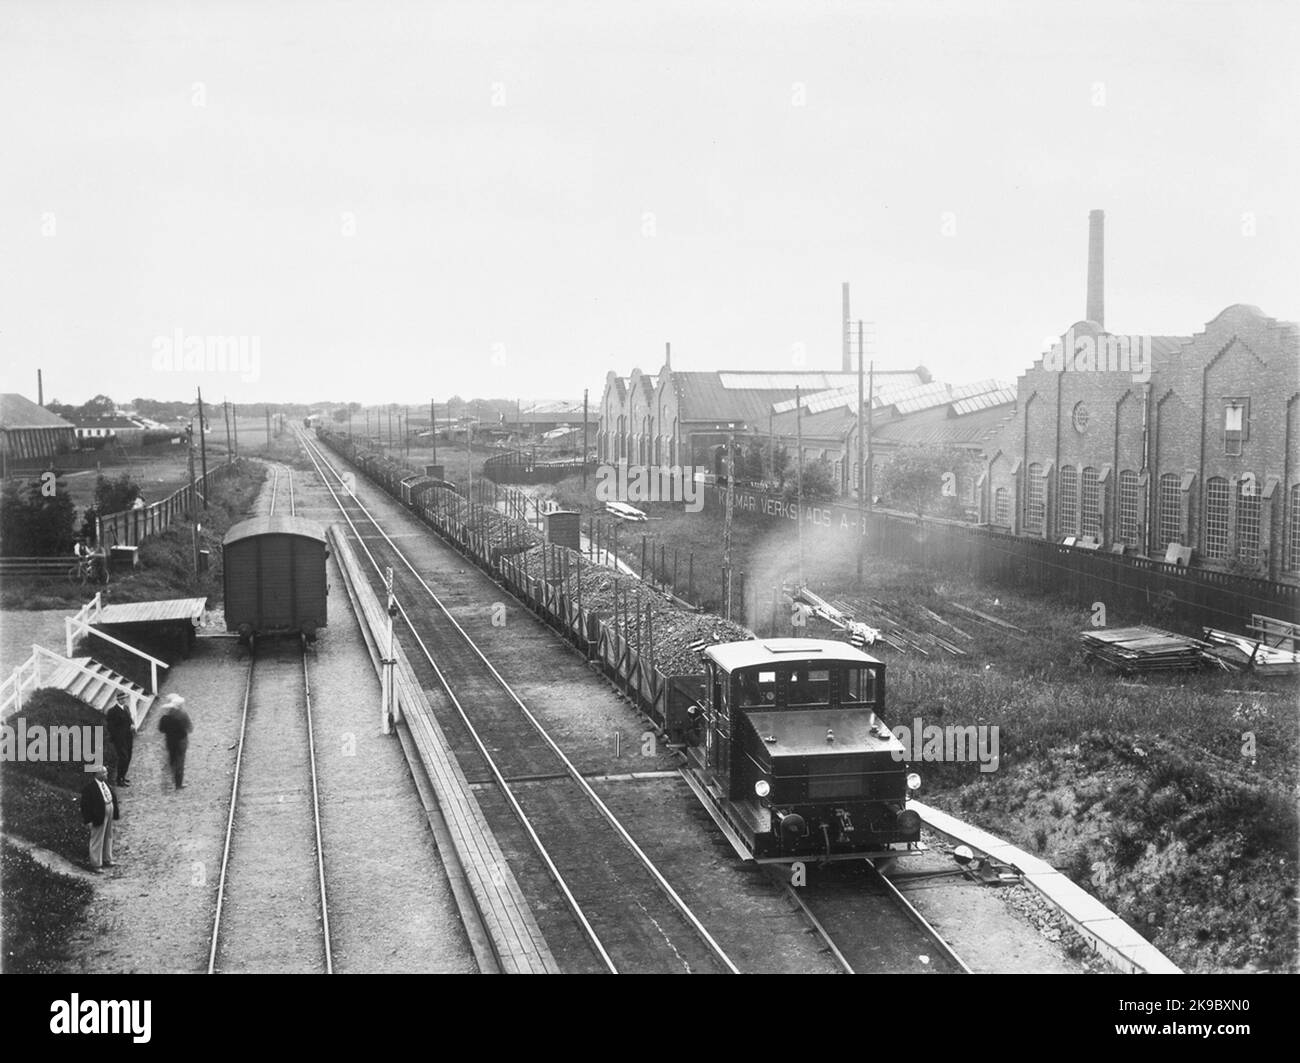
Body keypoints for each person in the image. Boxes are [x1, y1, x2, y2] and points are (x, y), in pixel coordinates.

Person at [80, 765, 120, 872]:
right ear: (97, 774)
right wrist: (88, 820)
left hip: (109, 810)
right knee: (97, 838)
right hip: (99, 815)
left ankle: (107, 858)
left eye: (106, 772)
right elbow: (85, 806)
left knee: (109, 836)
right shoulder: (89, 789)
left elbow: (112, 798)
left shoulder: (105, 785)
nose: (106, 774)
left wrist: (115, 812)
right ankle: (96, 864)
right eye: (104, 773)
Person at [157, 694, 193, 789]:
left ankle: (172, 778)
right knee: (180, 761)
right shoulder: (183, 715)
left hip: (170, 741)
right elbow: (189, 728)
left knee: (172, 759)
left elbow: (161, 729)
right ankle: (178, 783)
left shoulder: (166, 717)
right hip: (181, 741)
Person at [104, 691, 135, 786]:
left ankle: (123, 776)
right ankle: (119, 780)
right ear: (118, 700)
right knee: (123, 758)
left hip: (128, 737)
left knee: (128, 757)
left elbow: (129, 719)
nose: (124, 700)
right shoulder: (112, 711)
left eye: (125, 698)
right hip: (119, 740)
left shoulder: (126, 708)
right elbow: (110, 727)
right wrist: (117, 737)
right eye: (122, 699)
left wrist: (132, 724)